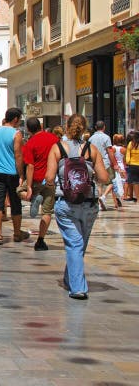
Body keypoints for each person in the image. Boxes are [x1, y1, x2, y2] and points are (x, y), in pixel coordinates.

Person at [44, 114, 109, 300]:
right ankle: (71, 278)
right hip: (89, 204)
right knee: (79, 244)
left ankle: (77, 288)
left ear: (67, 127)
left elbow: (49, 178)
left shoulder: (57, 148)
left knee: (75, 244)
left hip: (66, 203)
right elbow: (104, 178)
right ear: (85, 128)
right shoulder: (91, 149)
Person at [0, 108, 27, 246]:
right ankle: (17, 233)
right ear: (15, 119)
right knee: (16, 203)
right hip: (12, 173)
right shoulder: (16, 134)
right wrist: (21, 174)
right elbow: (18, 155)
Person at [23, 117, 60, 252]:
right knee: (47, 211)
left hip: (36, 178)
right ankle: (40, 240)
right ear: (40, 126)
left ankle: (33, 198)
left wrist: (28, 186)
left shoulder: (30, 143)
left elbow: (30, 166)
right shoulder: (54, 139)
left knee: (18, 191)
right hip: (50, 179)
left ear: (28, 129)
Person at [88, 120, 123, 211]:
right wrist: (115, 164)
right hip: (105, 163)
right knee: (111, 182)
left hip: (95, 163)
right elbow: (110, 151)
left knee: (99, 183)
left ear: (96, 127)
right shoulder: (106, 137)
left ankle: (99, 204)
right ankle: (103, 196)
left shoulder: (91, 138)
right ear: (104, 127)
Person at [125, 131, 139, 202]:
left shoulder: (131, 144)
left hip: (133, 165)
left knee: (135, 182)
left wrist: (128, 162)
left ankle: (138, 199)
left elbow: (128, 155)